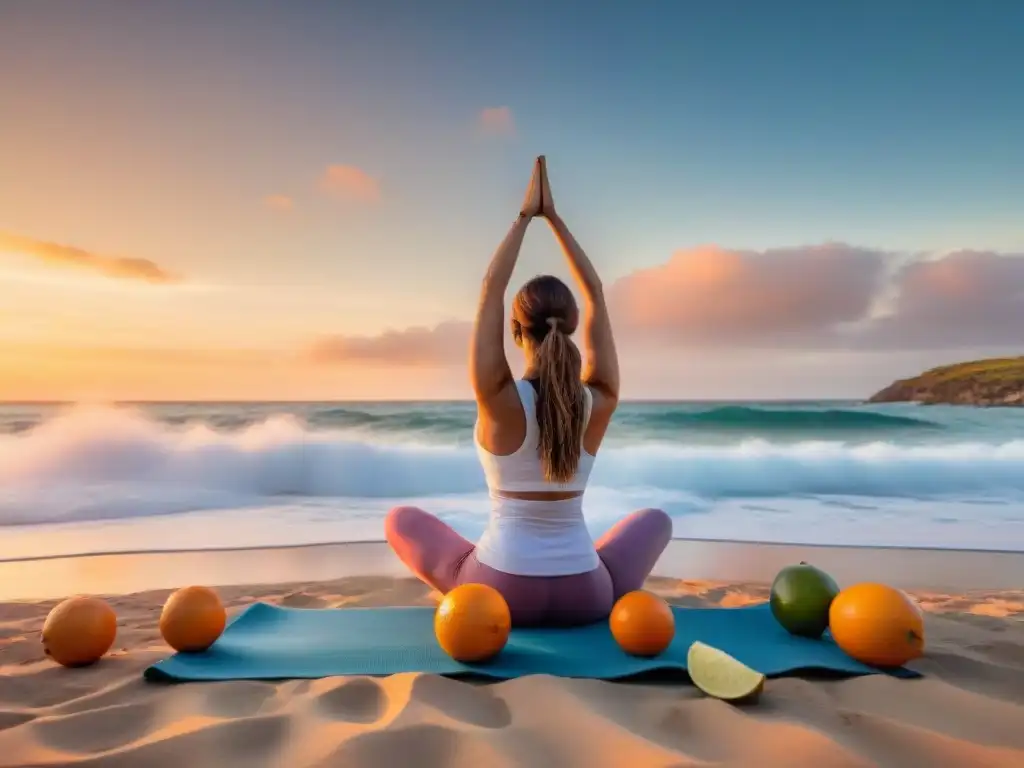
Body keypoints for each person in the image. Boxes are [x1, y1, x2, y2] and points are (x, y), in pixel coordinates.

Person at [385, 156, 671, 626]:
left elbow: (488, 289)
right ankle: (586, 568)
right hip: (587, 595)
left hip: (499, 595)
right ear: (575, 328)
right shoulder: (599, 399)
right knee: (656, 520)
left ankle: (479, 587)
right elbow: (596, 292)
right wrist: (555, 220)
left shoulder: (497, 396)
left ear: (516, 331)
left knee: (400, 520)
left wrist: (524, 218)